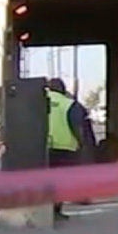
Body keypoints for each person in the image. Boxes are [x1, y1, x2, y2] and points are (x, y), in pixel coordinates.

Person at [45, 77, 93, 220]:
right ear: (63, 89)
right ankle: (56, 210)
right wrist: (84, 146)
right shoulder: (69, 104)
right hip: (65, 149)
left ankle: (46, 210)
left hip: (44, 147)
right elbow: (79, 127)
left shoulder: (39, 101)